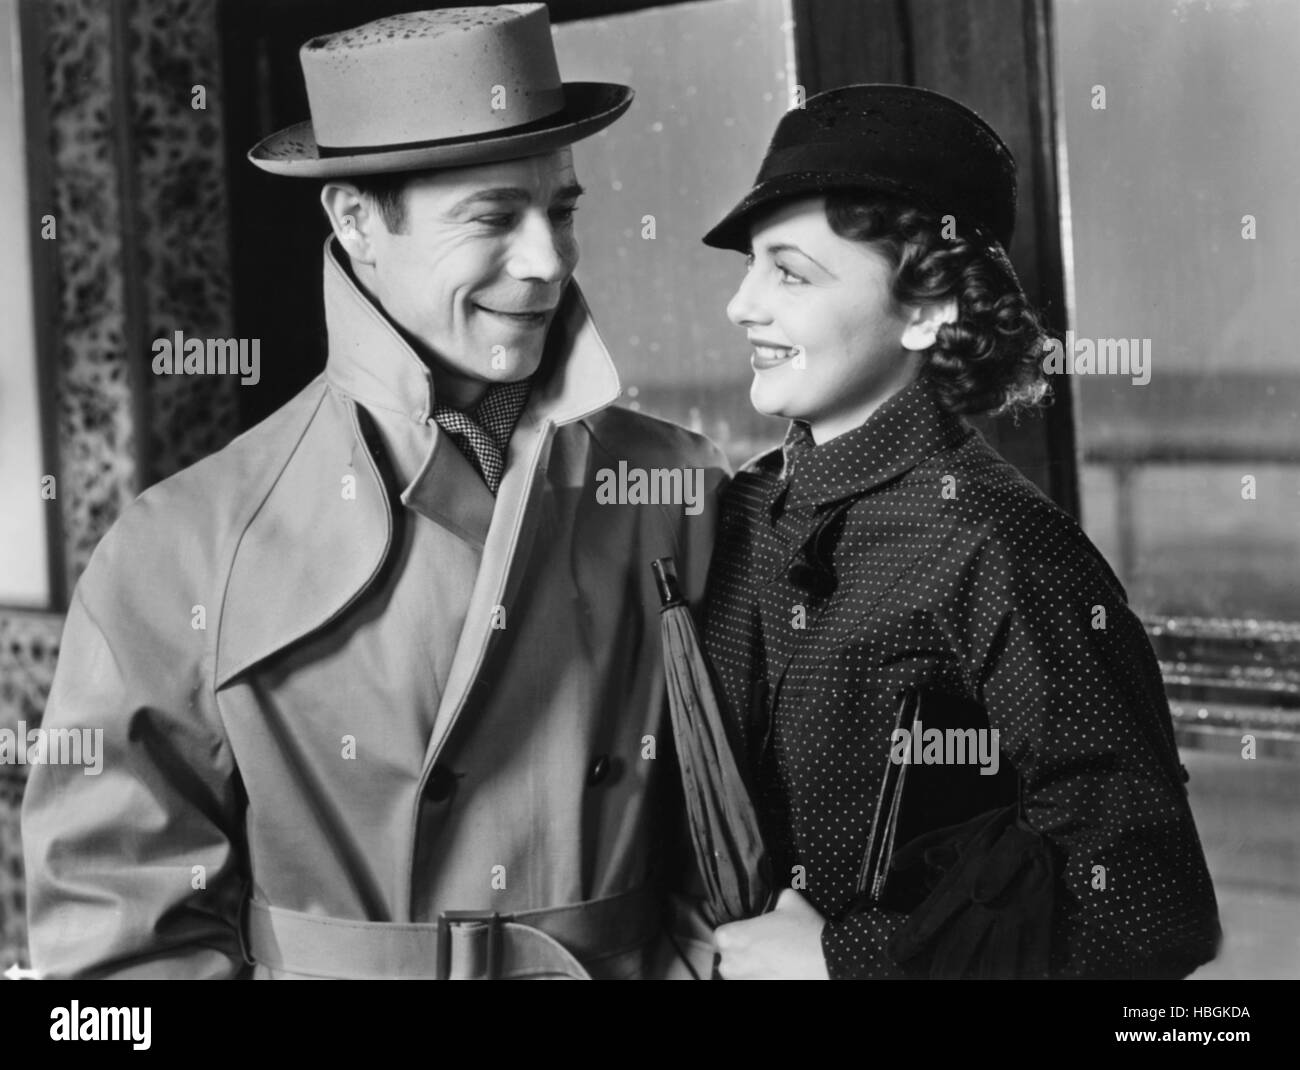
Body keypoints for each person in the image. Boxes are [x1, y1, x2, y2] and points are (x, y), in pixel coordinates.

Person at [22, 5, 724, 980]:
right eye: (492, 216)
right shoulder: (180, 547)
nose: (546, 261)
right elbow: (117, 945)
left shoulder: (685, 489)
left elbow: (740, 849)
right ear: (355, 220)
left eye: (559, 209)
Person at [698, 84, 1222, 979]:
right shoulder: (736, 512)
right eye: (750, 266)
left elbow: (1150, 905)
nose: (742, 305)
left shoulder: (1004, 548)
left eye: (790, 272)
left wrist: (846, 960)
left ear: (928, 308)